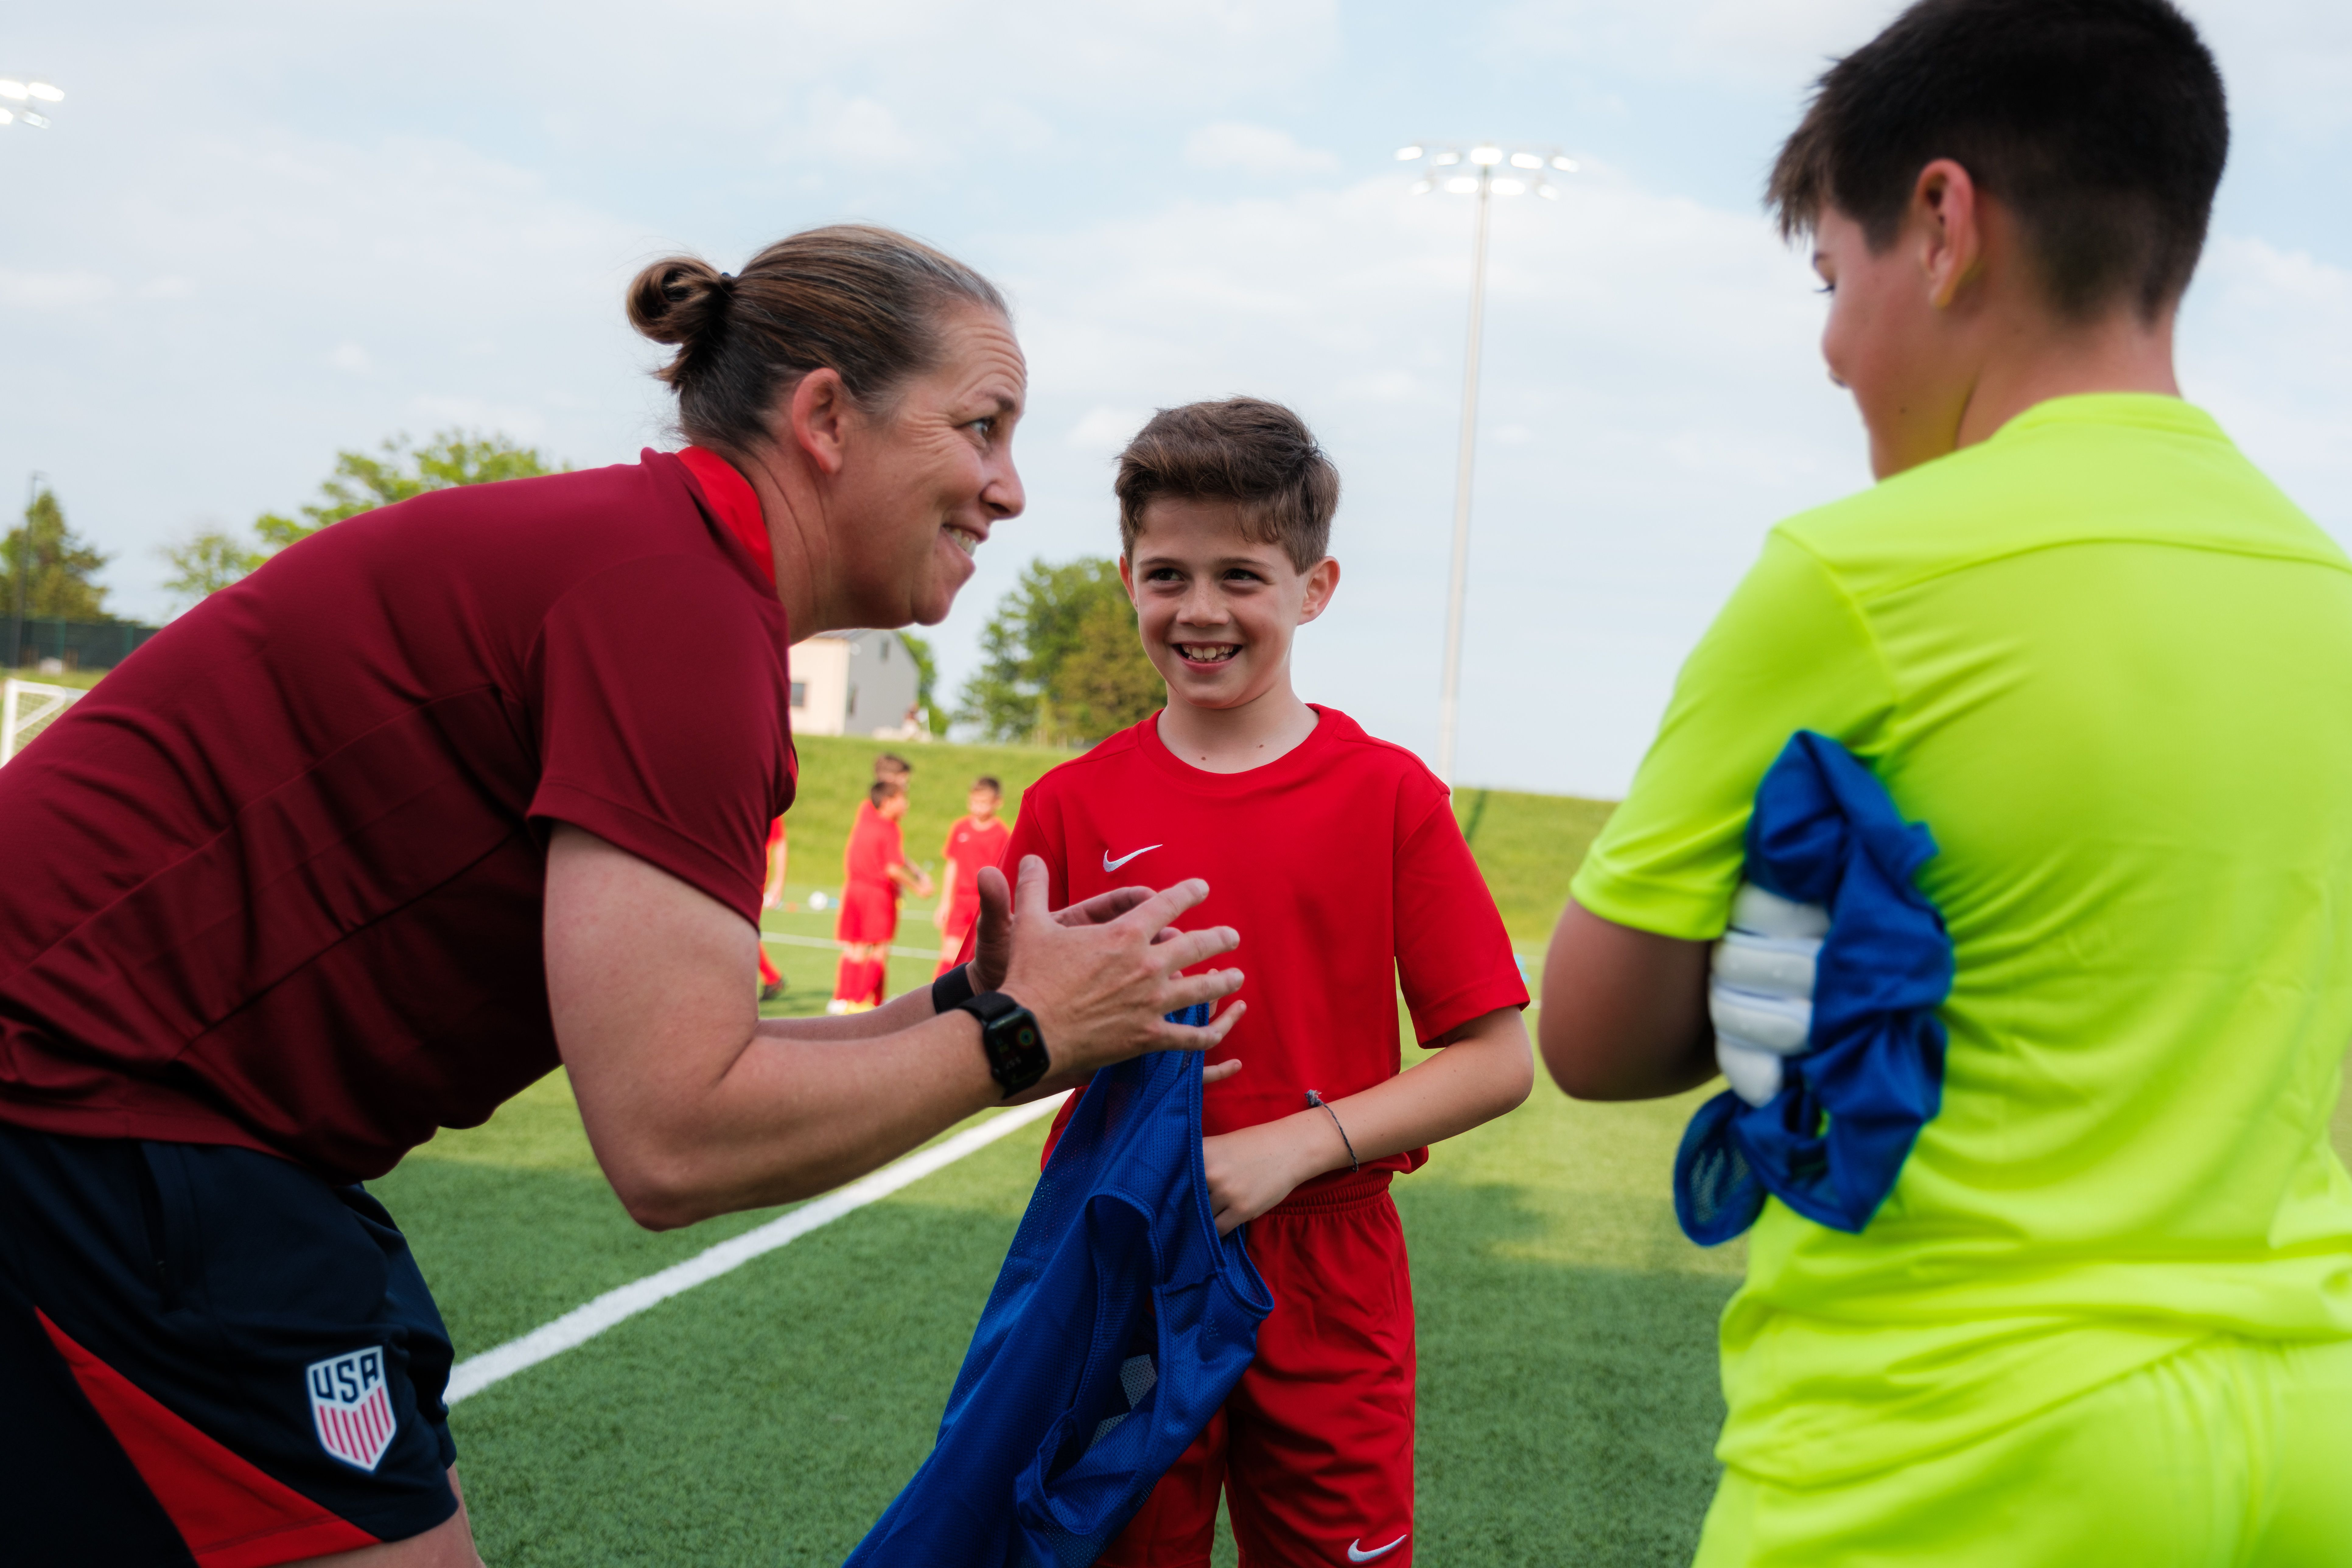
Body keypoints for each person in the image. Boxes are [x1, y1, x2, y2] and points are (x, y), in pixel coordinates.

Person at [0, 224, 1245, 1568]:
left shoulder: (660, 575)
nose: (1007, 490)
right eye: (982, 427)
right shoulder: (678, 617)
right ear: (825, 415)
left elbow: (703, 1063)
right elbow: (676, 1140)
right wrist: (1022, 1036)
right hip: (92, 1123)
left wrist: (968, 1013)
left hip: (106, 1122)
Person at [1537, 4, 2352, 1563]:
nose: (1834, 346)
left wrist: (1794, 960)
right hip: (2306, 1436)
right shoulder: (2328, 587)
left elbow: (1592, 1033)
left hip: (1959, 1451)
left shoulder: (1853, 576)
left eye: (1832, 282)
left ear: (1942, 223)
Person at [991, 398, 1532, 1568]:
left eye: (1240, 574)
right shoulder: (1069, 808)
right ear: (1124, 573)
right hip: (1125, 1247)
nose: (1198, 611)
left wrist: (1297, 1147)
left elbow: (1497, 1059)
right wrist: (1033, 1027)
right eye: (1165, 574)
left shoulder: (1387, 796)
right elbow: (993, 1050)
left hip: (1326, 1262)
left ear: (1313, 585)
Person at [829, 777, 933, 1013]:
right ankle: (861, 1002)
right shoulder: (891, 828)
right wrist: (918, 887)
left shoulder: (866, 815)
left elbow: (893, 857)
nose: (907, 804)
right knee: (880, 948)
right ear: (887, 802)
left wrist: (917, 872)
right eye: (902, 799)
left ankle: (845, 999)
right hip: (877, 894)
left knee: (856, 947)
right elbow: (892, 868)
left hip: (854, 890)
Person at [934, 775, 1012, 978]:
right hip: (960, 900)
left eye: (984, 803)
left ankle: (967, 1003)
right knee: (949, 952)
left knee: (976, 957)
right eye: (974, 802)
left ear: (997, 803)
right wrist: (945, 903)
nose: (978, 807)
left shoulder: (1002, 834)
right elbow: (952, 865)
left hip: (983, 902)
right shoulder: (960, 828)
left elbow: (1002, 872)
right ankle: (936, 1000)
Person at [757, 814, 789, 1002]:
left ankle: (772, 978)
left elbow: (780, 840)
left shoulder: (765, 793)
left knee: (740, 930)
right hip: (733, 871)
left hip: (753, 875)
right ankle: (772, 977)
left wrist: (779, 882)